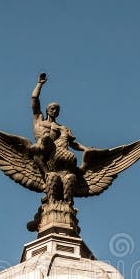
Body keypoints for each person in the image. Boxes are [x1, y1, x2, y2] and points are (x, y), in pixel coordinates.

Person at [31, 73, 92, 203]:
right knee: (38, 146)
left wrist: (86, 149)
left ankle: (63, 193)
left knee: (70, 177)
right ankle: (46, 178)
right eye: (52, 108)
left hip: (59, 156)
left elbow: (74, 144)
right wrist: (40, 84)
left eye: (57, 109)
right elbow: (34, 99)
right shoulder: (40, 121)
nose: (55, 111)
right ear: (47, 110)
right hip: (44, 154)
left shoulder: (62, 128)